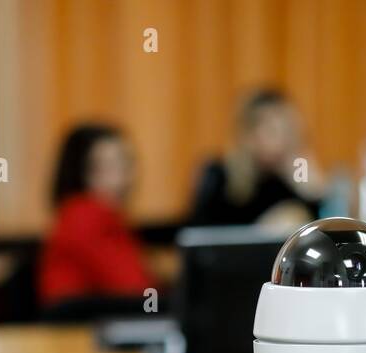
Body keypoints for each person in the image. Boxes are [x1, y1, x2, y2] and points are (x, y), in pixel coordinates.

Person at [38, 124, 155, 305]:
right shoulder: (85, 217)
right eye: (108, 167)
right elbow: (135, 289)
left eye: (126, 164)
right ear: (82, 173)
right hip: (76, 329)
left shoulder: (84, 214)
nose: (124, 178)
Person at [187, 89, 323, 228]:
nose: (283, 141)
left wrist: (312, 190)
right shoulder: (218, 176)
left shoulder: (294, 175)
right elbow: (200, 234)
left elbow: (321, 227)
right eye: (273, 131)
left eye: (288, 131)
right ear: (248, 136)